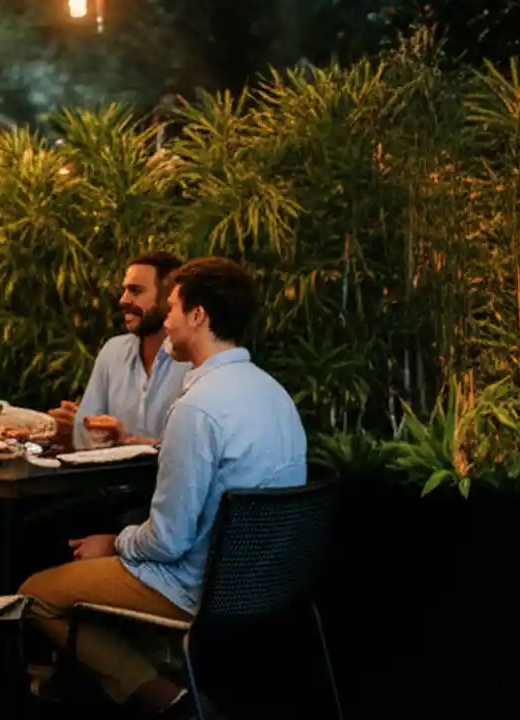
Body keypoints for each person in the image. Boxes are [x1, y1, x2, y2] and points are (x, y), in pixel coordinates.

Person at [20, 257, 308, 718]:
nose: (167, 321)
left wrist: (113, 543)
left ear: (198, 316)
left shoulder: (197, 409)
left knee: (36, 592)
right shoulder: (274, 394)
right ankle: (165, 680)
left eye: (173, 308)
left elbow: (168, 541)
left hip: (198, 587)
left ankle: (169, 701)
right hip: (267, 583)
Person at [49, 251, 190, 450]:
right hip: (111, 480)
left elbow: (196, 449)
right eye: (124, 290)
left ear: (169, 294)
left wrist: (129, 441)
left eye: (136, 291)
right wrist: (70, 430)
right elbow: (86, 437)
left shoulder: (192, 358)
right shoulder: (112, 352)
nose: (123, 300)